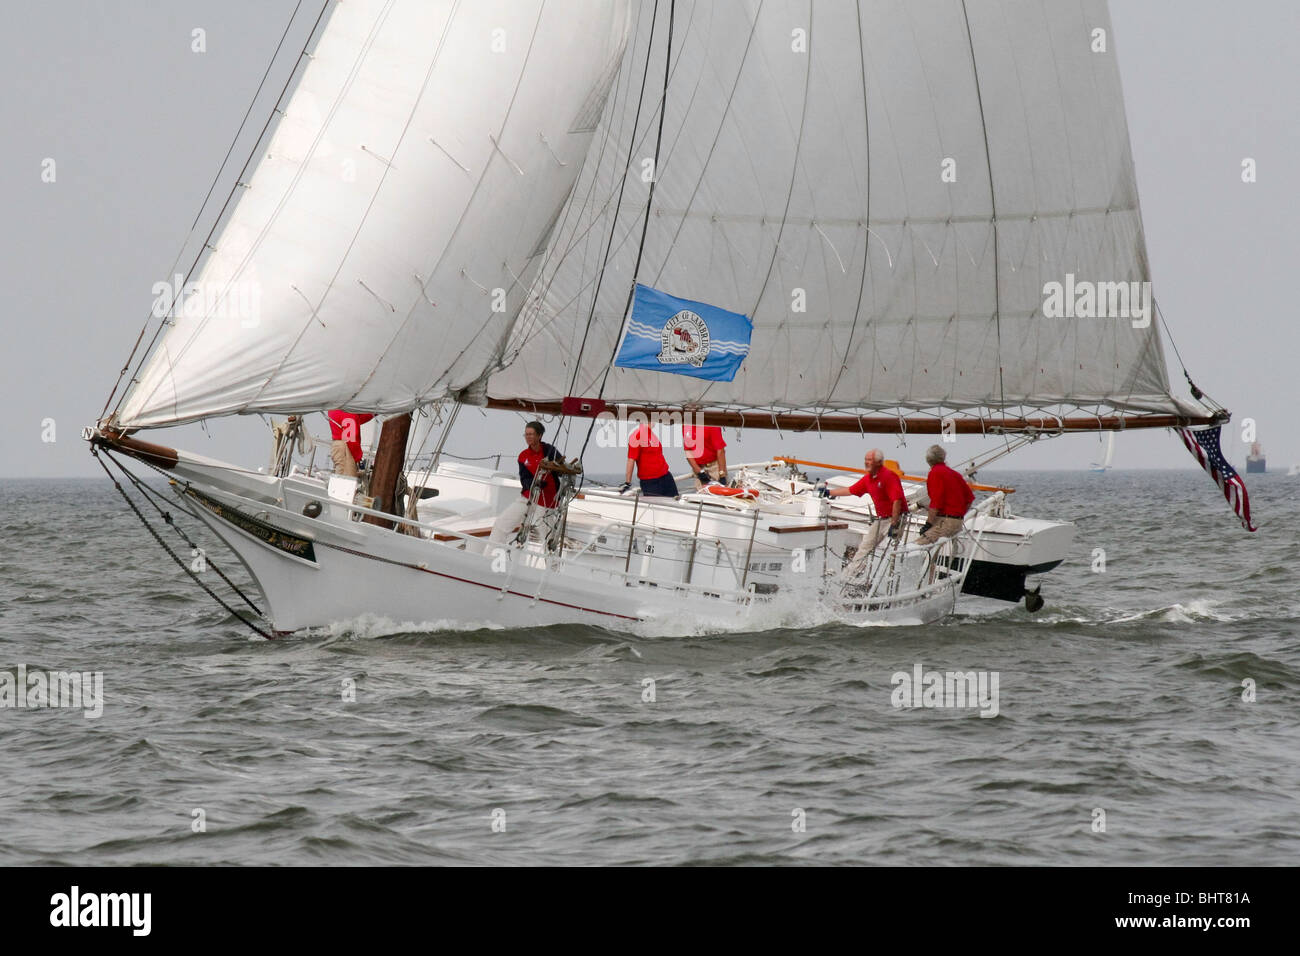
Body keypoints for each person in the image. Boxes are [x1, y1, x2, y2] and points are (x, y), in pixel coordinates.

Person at [820, 448, 907, 575]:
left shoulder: (888, 476)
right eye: (865, 460)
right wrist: (828, 492)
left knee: (892, 549)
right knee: (865, 547)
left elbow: (897, 500)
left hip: (896, 518)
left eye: (870, 460)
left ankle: (892, 577)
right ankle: (848, 577)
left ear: (878, 462)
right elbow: (851, 490)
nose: (866, 462)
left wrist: (894, 524)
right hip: (882, 519)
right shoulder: (868, 479)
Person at [489, 421, 563, 545]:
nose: (528, 437)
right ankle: (489, 558)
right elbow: (524, 479)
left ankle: (552, 564)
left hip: (547, 501)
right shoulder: (523, 456)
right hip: (528, 496)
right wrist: (533, 485)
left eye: (531, 434)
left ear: (539, 436)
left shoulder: (550, 451)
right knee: (501, 524)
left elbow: (561, 469)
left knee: (548, 538)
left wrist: (554, 468)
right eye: (526, 434)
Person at [917, 444, 974, 544]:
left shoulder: (935, 473)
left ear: (928, 460)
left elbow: (936, 502)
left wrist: (928, 524)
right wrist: (958, 515)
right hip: (957, 522)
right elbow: (969, 499)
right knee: (931, 548)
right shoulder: (955, 474)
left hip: (945, 522)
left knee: (919, 545)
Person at [621, 421, 679, 497]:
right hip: (650, 482)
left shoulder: (650, 433)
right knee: (655, 508)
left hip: (665, 476)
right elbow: (631, 460)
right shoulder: (636, 436)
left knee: (675, 505)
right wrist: (627, 483)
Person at [327, 409, 375, 477]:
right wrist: (358, 458)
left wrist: (373, 413)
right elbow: (350, 438)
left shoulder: (335, 409)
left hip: (339, 445)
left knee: (341, 477)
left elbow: (358, 419)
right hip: (346, 448)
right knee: (346, 480)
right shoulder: (347, 411)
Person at [682, 422, 728, 489]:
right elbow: (688, 450)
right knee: (701, 496)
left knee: (720, 495)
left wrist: (722, 475)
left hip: (715, 467)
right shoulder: (686, 426)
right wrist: (699, 472)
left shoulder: (712, 426)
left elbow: (720, 450)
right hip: (698, 467)